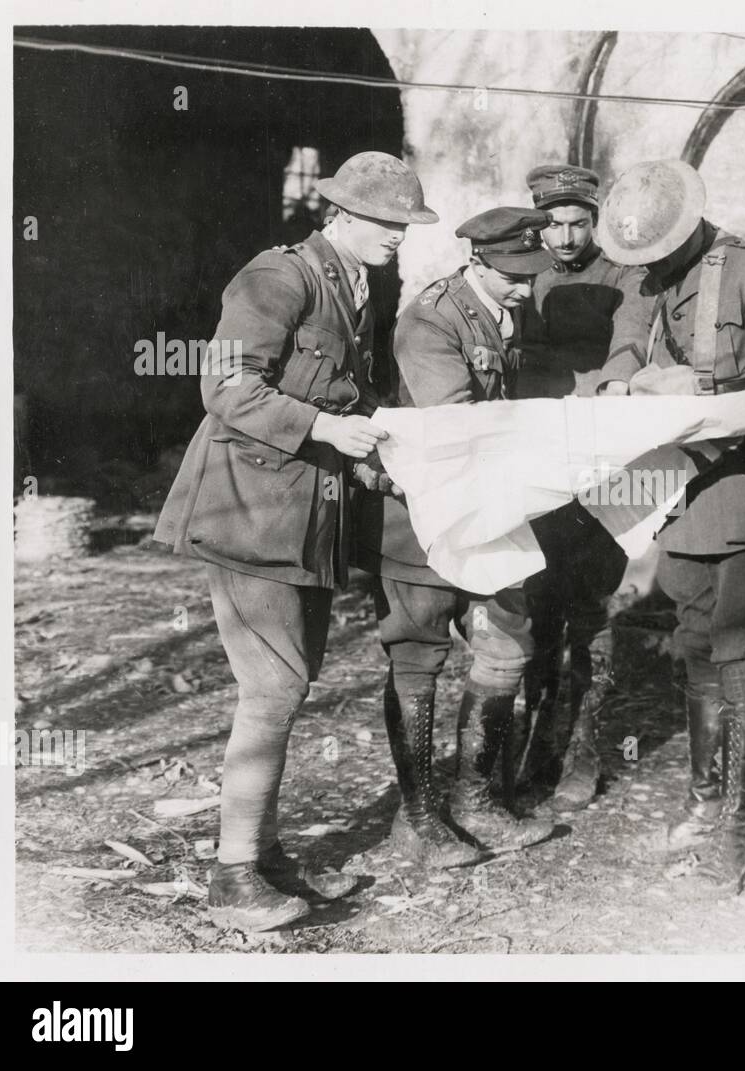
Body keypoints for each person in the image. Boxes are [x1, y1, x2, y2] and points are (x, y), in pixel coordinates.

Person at [154, 151, 437, 932]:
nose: (396, 239)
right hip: (249, 510)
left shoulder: (358, 281)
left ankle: (265, 857)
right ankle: (234, 875)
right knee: (272, 688)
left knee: (291, 681)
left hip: (304, 516)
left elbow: (351, 386)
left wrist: (382, 450)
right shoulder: (277, 277)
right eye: (384, 224)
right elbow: (227, 384)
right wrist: (321, 426)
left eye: (405, 226)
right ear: (340, 214)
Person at [596, 160, 745, 895]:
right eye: (640, 259)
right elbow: (624, 351)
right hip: (686, 497)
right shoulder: (648, 277)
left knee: (738, 656)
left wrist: (722, 406)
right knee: (695, 648)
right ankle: (703, 802)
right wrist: (626, 384)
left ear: (691, 226)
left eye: (659, 252)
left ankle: (735, 829)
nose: (650, 268)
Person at [352, 206, 558, 866]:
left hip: (490, 498)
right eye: (513, 276)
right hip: (424, 505)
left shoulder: (506, 307)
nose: (527, 286)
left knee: (508, 636)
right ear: (477, 263)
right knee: (418, 649)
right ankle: (416, 820)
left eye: (532, 273)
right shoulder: (430, 318)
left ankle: (477, 802)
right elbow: (457, 427)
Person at [511, 163, 655, 811]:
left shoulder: (626, 275)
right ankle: (536, 745)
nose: (566, 238)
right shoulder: (523, 271)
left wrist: (617, 383)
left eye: (578, 224)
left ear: (596, 222)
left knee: (592, 609)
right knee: (537, 603)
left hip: (602, 452)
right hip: (537, 456)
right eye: (554, 225)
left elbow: (631, 342)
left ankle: (585, 752)